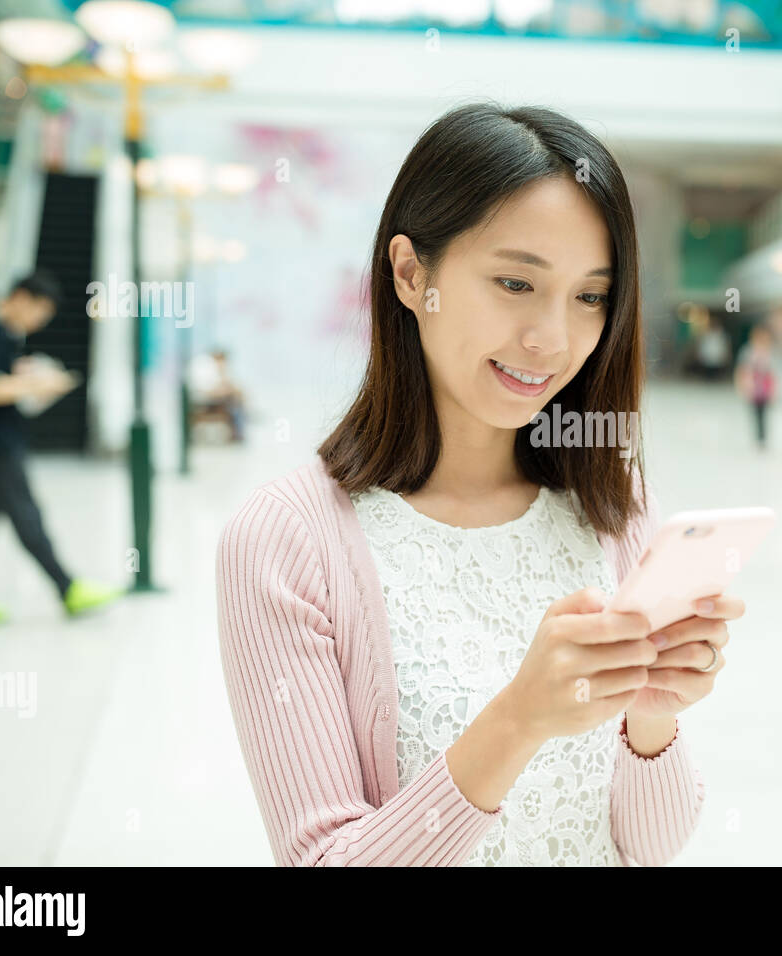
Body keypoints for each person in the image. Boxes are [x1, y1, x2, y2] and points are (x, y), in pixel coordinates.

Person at [215, 102, 745, 867]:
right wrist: (518, 721)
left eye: (591, 296)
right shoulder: (287, 540)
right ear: (409, 273)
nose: (553, 339)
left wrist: (651, 719)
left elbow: (647, 847)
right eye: (514, 283)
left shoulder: (613, 509)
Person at [0, 271, 123, 626]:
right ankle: (67, 587)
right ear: (20, 298)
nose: (40, 320)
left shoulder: (3, 335)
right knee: (27, 518)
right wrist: (35, 383)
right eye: (39, 310)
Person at [188, 348, 246, 442]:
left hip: (212, 400)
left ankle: (239, 427)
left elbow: (222, 386)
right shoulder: (205, 368)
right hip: (205, 402)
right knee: (236, 399)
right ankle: (239, 429)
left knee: (237, 398)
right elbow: (206, 390)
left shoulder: (215, 370)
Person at [735, 324, 778, 449]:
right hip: (752, 386)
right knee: (754, 413)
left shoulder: (770, 352)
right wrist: (742, 386)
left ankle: (763, 438)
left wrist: (774, 390)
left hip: (765, 387)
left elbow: (773, 373)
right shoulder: (747, 351)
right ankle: (757, 437)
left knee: (764, 413)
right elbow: (742, 369)